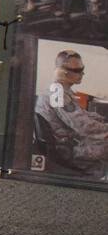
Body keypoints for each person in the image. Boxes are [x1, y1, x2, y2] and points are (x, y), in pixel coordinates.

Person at [34, 50, 108, 178]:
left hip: (71, 145)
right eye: (77, 70)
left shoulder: (62, 91)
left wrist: (101, 120)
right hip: (69, 150)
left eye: (82, 69)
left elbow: (81, 115)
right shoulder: (57, 94)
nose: (82, 74)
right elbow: (82, 126)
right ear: (62, 72)